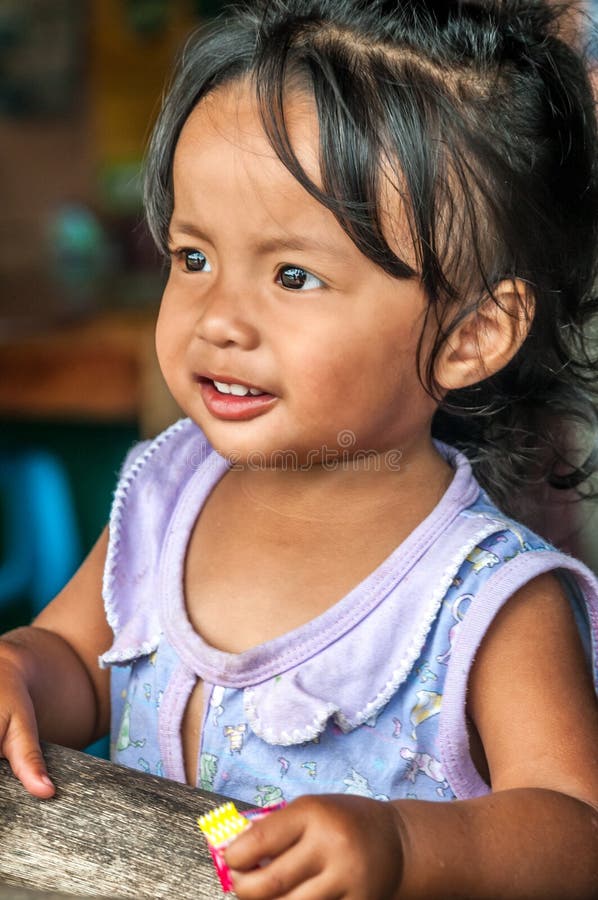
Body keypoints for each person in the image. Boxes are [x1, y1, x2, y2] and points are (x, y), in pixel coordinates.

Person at [1, 1, 598, 896]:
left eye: (292, 275)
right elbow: (75, 661)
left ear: (473, 334)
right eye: (193, 257)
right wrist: (17, 671)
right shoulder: (166, 493)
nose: (219, 319)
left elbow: (574, 827)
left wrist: (404, 847)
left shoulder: (485, 598)